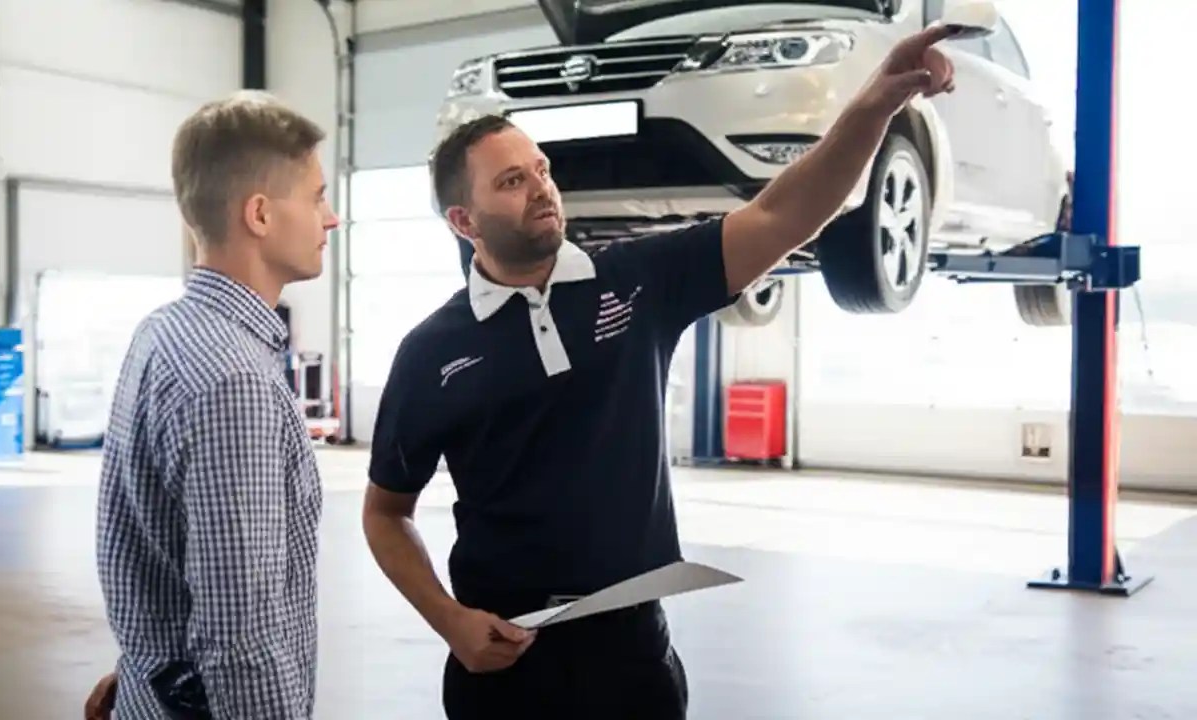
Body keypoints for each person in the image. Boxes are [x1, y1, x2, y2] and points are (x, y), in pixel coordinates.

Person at [360, 24, 958, 720]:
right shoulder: (430, 351)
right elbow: (385, 513)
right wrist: (448, 620)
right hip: (504, 660)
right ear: (465, 222)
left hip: (632, 658)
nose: (541, 188)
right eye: (512, 180)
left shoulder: (638, 281)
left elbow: (784, 213)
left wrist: (873, 107)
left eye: (542, 168)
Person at [92, 90, 339, 719]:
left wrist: (138, 669)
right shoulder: (235, 381)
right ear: (259, 214)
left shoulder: (163, 332)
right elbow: (241, 637)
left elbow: (149, 548)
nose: (330, 218)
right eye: (315, 197)